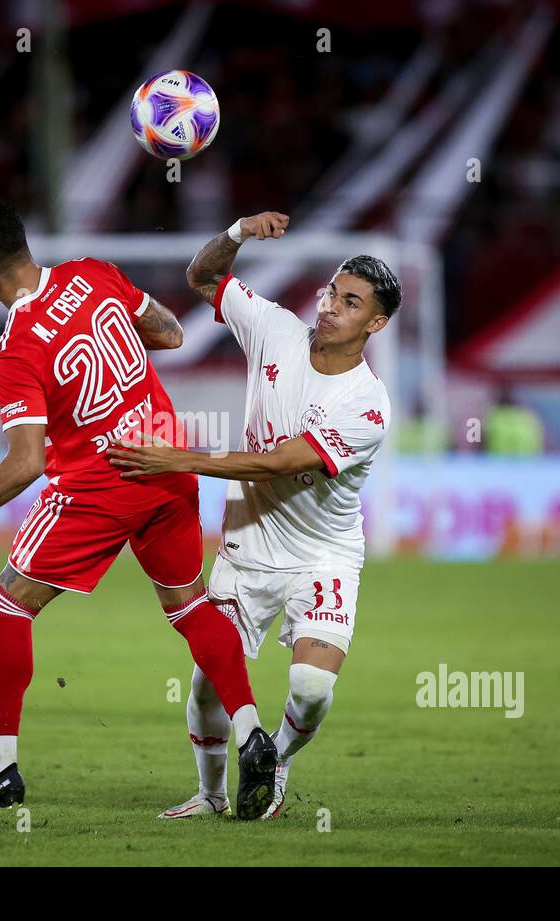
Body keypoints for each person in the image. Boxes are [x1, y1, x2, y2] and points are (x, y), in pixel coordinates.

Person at [0, 193, 277, 824]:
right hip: (168, 464)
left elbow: (26, 462)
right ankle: (254, 730)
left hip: (100, 487)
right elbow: (171, 334)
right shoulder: (93, 272)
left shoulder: (12, 347)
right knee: (191, 604)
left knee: (5, 602)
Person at [108, 211, 398, 819]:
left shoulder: (366, 405)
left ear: (375, 323)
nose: (329, 307)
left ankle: (276, 757)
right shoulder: (274, 329)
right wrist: (237, 233)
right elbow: (203, 277)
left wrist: (175, 461)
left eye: (349, 302)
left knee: (312, 689)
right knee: (208, 682)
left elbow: (274, 464)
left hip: (324, 555)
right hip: (249, 545)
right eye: (329, 292)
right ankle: (212, 795)